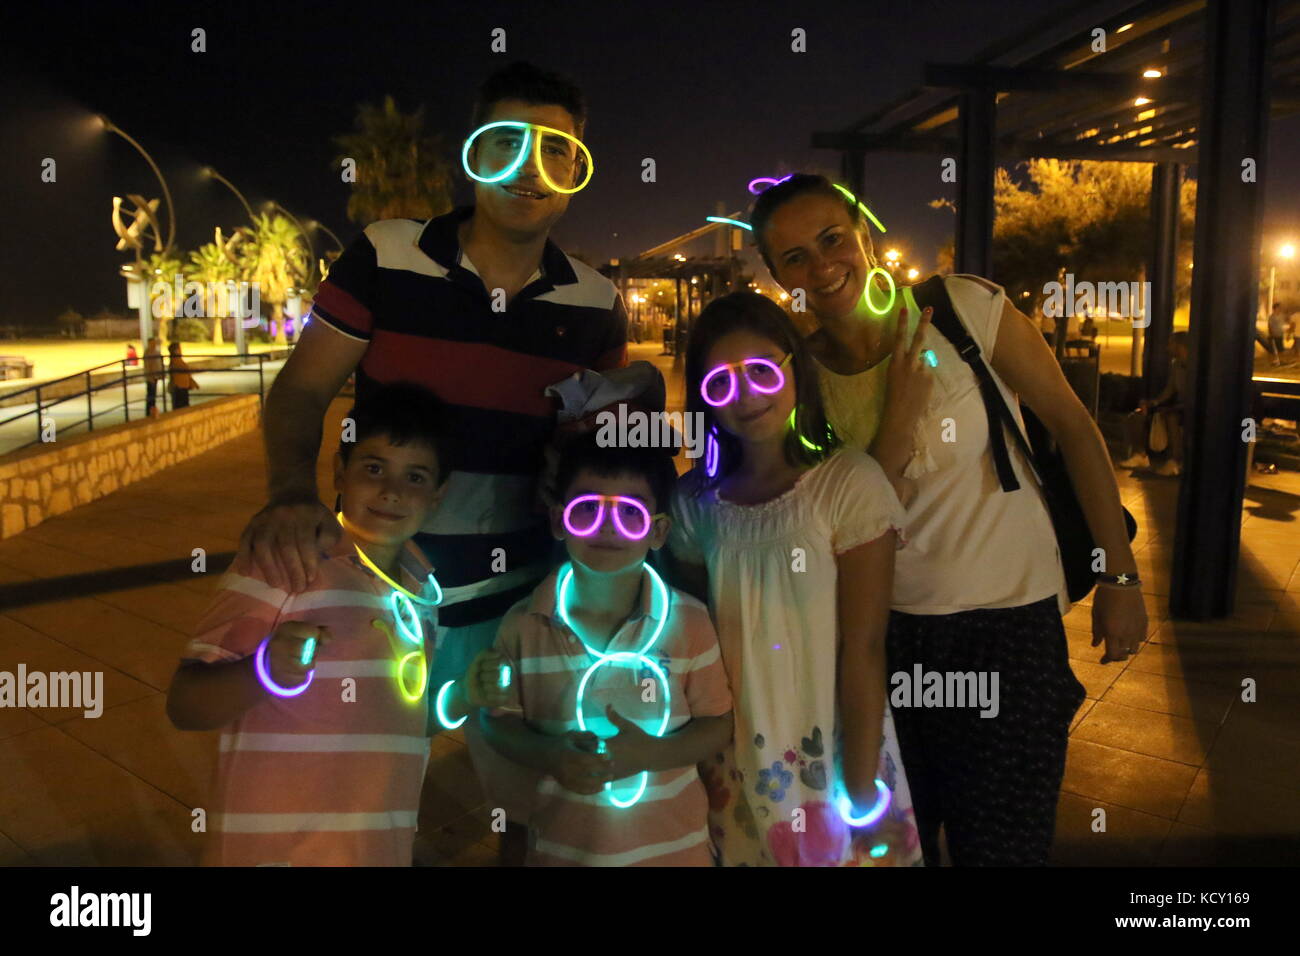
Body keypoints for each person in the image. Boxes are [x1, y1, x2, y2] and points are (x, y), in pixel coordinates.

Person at [237, 62, 627, 866]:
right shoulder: (386, 256)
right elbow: (303, 387)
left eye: (558, 151)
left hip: (522, 600)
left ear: (577, 172)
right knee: (355, 795)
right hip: (378, 590)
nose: (531, 167)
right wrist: (287, 492)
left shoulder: (597, 304)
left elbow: (593, 453)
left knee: (530, 796)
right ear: (472, 156)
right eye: (507, 142)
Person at [749, 174, 1147, 866]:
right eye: (795, 258)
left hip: (1011, 628)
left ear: (864, 236)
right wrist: (895, 427)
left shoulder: (960, 308)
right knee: (899, 846)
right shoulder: (804, 380)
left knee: (1004, 845)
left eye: (832, 239)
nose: (822, 266)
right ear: (783, 278)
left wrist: (1120, 577)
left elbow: (1075, 429)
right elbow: (826, 521)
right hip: (880, 640)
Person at [166, 383, 505, 865]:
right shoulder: (288, 559)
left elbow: (406, 722)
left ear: (438, 494)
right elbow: (186, 705)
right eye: (373, 468)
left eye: (415, 476)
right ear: (338, 472)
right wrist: (263, 670)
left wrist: (464, 697)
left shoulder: (422, 592)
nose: (392, 490)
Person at [667, 292, 922, 867]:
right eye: (720, 384)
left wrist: (860, 793)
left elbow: (864, 647)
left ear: (793, 368)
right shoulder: (694, 505)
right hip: (729, 754)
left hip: (832, 751)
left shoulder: (848, 486)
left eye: (759, 370)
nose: (745, 395)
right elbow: (688, 641)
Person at [481, 432, 733, 865]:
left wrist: (653, 754)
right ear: (560, 521)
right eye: (588, 509)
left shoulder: (689, 623)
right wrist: (549, 755)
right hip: (564, 849)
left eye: (630, 513)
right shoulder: (524, 625)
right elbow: (497, 724)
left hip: (674, 851)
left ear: (658, 531)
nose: (607, 526)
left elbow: (717, 722)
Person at [1120, 331, 1188, 475]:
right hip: (1178, 405)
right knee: (1137, 415)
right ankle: (1140, 455)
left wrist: (1172, 408)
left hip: (1188, 407)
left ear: (1180, 346)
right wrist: (1153, 403)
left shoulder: (1194, 367)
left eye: (1171, 343)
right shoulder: (1176, 365)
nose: (1167, 347)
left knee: (1171, 417)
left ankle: (1176, 460)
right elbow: (1170, 389)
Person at [167, 341, 198, 409]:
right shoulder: (175, 361)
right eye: (179, 348)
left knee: (183, 404)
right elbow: (182, 370)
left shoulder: (177, 360)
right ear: (175, 350)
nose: (181, 350)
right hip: (179, 387)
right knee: (181, 406)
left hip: (183, 386)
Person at [143, 337, 163, 416]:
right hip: (151, 377)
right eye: (152, 343)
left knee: (153, 394)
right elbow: (147, 366)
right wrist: (149, 377)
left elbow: (159, 363)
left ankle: (153, 410)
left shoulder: (156, 352)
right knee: (151, 394)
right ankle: (149, 411)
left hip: (156, 376)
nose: (154, 344)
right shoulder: (148, 353)